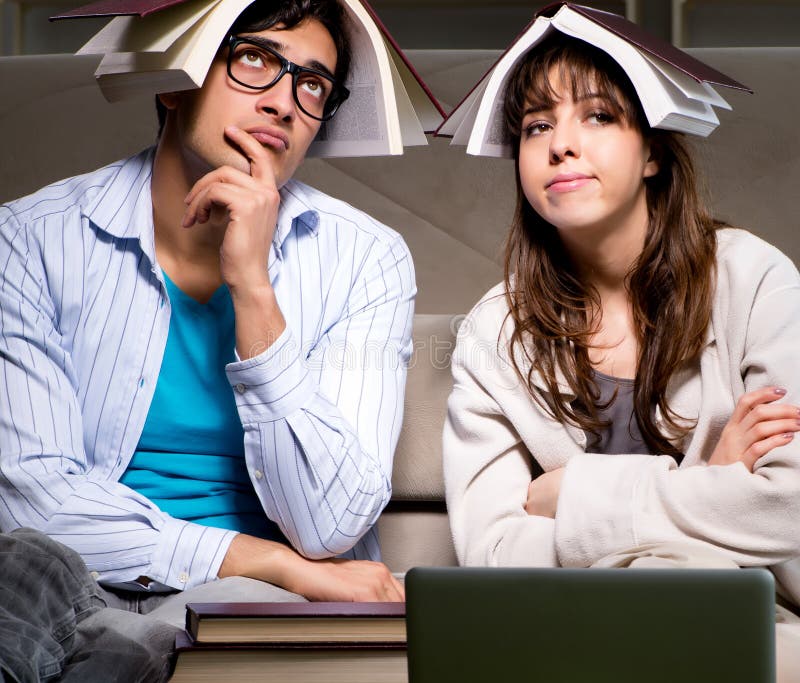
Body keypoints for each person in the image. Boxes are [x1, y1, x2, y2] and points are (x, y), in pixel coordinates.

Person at [0, 0, 414, 678]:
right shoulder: (28, 239)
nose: (284, 101)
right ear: (173, 81)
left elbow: (329, 523)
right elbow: (32, 501)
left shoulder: (367, 258)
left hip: (238, 599)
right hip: (68, 576)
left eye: (312, 84)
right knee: (18, 571)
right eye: (255, 58)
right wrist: (266, 557)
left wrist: (252, 286)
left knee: (182, 646)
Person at [442, 32, 800, 680]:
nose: (561, 143)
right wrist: (710, 491)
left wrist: (572, 496)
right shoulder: (491, 332)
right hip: (559, 638)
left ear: (654, 152)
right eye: (536, 125)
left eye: (598, 115)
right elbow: (492, 551)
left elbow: (790, 507)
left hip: (751, 636)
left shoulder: (757, 280)